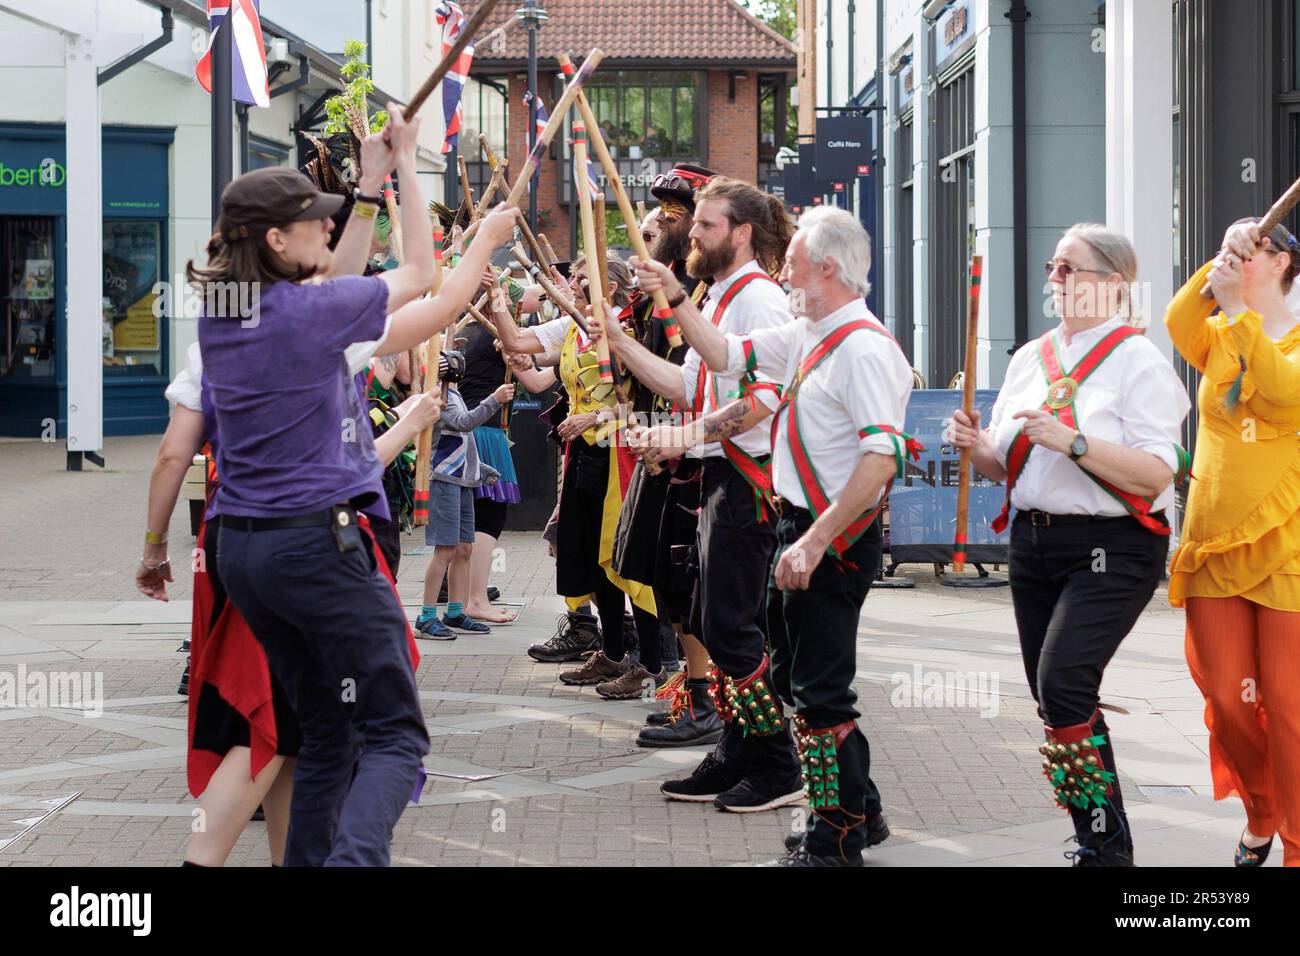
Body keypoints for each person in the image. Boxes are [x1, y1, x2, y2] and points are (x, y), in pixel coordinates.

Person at [193, 103, 517, 866]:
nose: (327, 234)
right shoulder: (308, 313)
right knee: (394, 733)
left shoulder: (227, 308)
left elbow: (338, 282)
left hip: (245, 550)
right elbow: (422, 277)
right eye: (313, 223)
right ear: (277, 240)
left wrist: (370, 181)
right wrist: (406, 167)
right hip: (315, 546)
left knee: (327, 726)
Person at [633, 206, 913, 865]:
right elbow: (725, 355)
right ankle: (861, 811)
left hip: (833, 539)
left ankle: (834, 837)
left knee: (820, 690)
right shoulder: (808, 334)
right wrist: (673, 295)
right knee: (795, 677)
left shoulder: (866, 349)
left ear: (829, 269)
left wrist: (814, 539)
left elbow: (882, 458)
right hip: (797, 526)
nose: (783, 269)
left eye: (794, 263)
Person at [136, 340, 439, 867]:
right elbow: (347, 470)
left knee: (297, 728)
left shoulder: (212, 342)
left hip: (230, 538)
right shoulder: (323, 334)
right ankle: (201, 860)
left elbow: (171, 455)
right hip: (301, 544)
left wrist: (154, 546)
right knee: (269, 723)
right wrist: (411, 424)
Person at [949, 223, 1191, 866]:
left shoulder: (1139, 361)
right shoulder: (1030, 358)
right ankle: (1099, 840)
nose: (1054, 279)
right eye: (1053, 268)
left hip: (1112, 545)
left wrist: (1075, 441)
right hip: (1034, 542)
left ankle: (1105, 850)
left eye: (1069, 269)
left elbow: (1158, 473)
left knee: (1062, 682)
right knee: (1055, 693)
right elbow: (1007, 465)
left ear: (1113, 284)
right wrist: (978, 447)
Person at [602, 177, 805, 813]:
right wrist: (619, 341)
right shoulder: (717, 295)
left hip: (750, 481)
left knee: (731, 626)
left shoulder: (760, 301)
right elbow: (688, 383)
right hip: (719, 477)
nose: (691, 233)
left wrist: (684, 435)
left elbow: (765, 399)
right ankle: (740, 751)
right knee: (715, 622)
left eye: (707, 225)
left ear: (742, 233)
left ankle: (776, 762)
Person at [1166, 217, 1300, 867]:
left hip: (1287, 551)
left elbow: (1280, 390)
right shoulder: (1217, 330)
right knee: (1228, 699)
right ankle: (1261, 810)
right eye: (1233, 251)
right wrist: (1221, 255)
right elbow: (1176, 321)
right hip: (1216, 545)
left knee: (1290, 709)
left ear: (1281, 265)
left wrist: (1239, 310)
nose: (1240, 258)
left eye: (1255, 249)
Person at [490, 253, 665, 695]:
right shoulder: (571, 325)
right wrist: (496, 300)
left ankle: (651, 662)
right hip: (582, 456)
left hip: (621, 453)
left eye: (580, 278)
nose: (570, 283)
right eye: (572, 276)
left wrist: (594, 417)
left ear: (607, 287)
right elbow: (518, 341)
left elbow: (649, 397)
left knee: (623, 555)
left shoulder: (631, 328)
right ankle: (610, 654)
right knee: (589, 555)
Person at [613, 166, 724, 740]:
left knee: (690, 580)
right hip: (665, 444)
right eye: (658, 210)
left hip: (699, 450)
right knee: (660, 574)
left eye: (674, 213)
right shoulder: (661, 291)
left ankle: (710, 699)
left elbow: (695, 379)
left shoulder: (698, 294)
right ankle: (694, 688)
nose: (655, 220)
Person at [415, 371, 516, 639]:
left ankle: (455, 611)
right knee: (445, 549)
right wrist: (494, 399)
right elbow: (463, 424)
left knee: (464, 549)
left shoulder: (455, 394)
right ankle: (426, 616)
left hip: (462, 482)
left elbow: (462, 442)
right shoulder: (439, 396)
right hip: (444, 482)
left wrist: (480, 469)